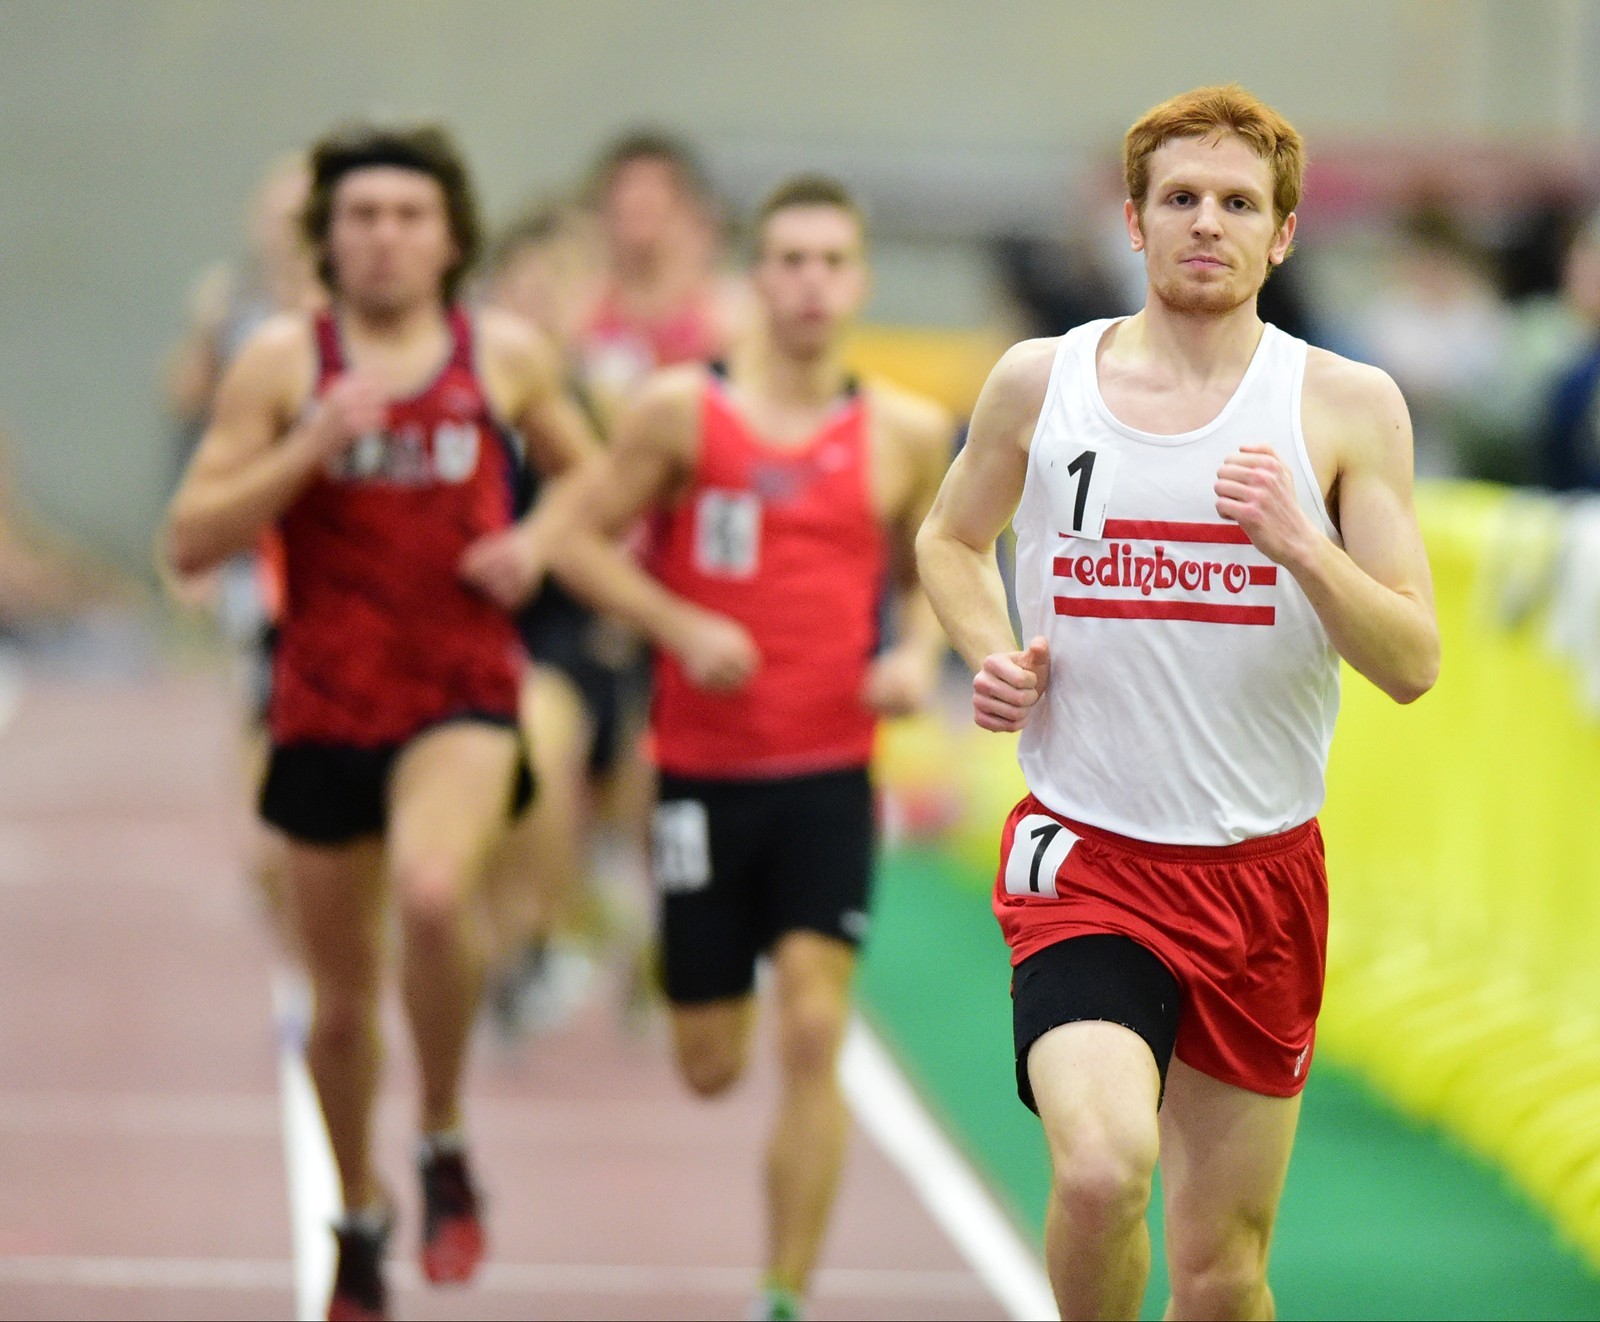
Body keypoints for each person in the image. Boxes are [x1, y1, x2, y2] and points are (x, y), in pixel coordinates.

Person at [915, 85, 1440, 1320]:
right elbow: (949, 538)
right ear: (1134, 223)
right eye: (1181, 199)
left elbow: (1412, 658)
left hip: (1261, 878)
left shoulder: (1344, 404)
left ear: (1284, 233)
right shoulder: (1039, 381)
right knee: (1104, 1169)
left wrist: (1301, 544)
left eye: (1239, 204)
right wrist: (991, 651)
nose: (1208, 223)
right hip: (1085, 855)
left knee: (1220, 1272)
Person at [163, 121, 598, 1322]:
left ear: (450, 238)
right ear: (328, 238)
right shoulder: (279, 365)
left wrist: (537, 540)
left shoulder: (500, 353)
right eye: (361, 216)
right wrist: (310, 445)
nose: (385, 237)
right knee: (342, 1004)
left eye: (409, 215)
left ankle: (443, 1134)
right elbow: (190, 538)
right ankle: (358, 1213)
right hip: (322, 702)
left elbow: (598, 476)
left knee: (432, 890)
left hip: (462, 691)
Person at [554, 175, 954, 1321]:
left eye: (831, 261)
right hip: (699, 775)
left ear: (859, 281)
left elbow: (941, 565)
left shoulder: (905, 431)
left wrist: (913, 653)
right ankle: (665, 953)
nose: (810, 283)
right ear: (754, 277)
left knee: (816, 1024)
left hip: (829, 772)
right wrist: (678, 623)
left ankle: (783, 1293)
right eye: (789, 260)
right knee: (709, 1062)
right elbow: (576, 541)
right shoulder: (681, 411)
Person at [476, 204, 652, 1038]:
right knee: (514, 781)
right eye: (524, 287)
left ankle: (564, 924)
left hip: (575, 627)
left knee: (553, 764)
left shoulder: (610, 400)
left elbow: (639, 520)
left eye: (560, 287)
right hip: (474, 625)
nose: (541, 304)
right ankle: (530, 935)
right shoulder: (462, 393)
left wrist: (632, 608)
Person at [577, 129, 745, 428]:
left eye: (653, 196)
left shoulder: (728, 311)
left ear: (686, 207)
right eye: (628, 195)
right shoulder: (581, 307)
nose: (639, 204)